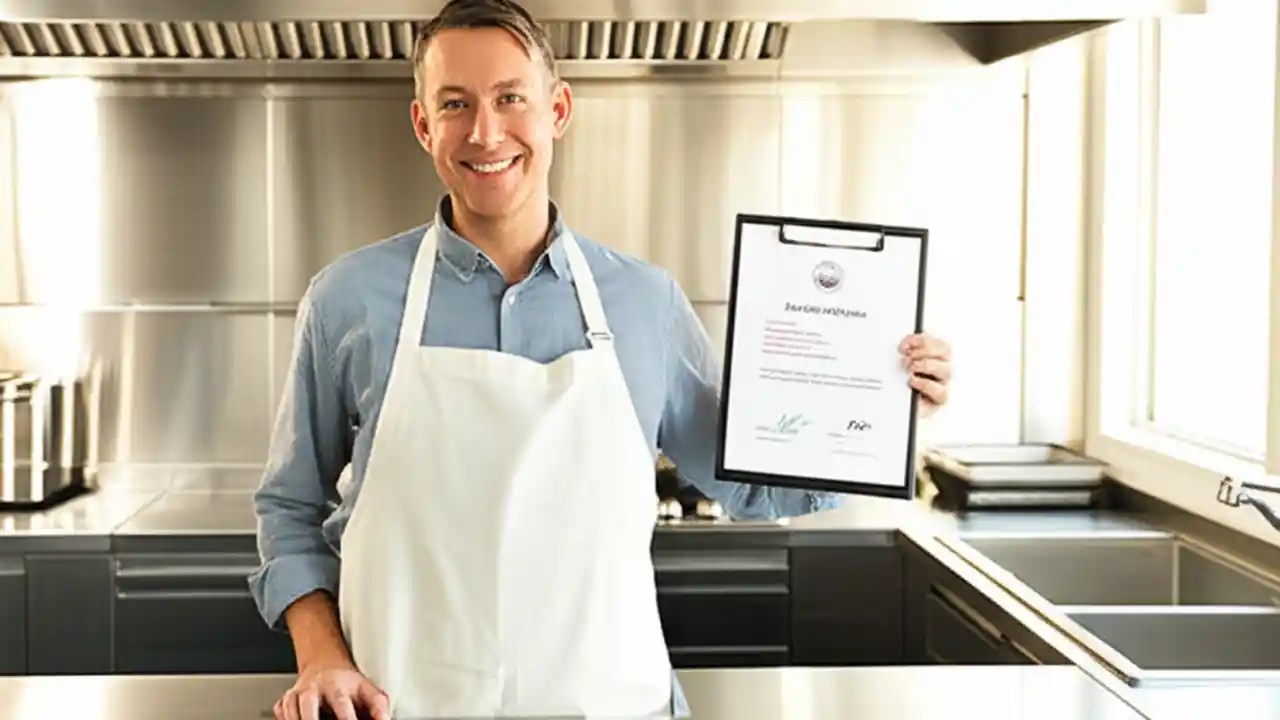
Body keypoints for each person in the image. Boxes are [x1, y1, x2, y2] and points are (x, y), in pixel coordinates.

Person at [249, 1, 954, 718]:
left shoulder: (645, 302)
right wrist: (322, 657)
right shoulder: (349, 299)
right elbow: (290, 506)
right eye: (455, 104)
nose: (485, 131)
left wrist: (886, 406)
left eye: (510, 98)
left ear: (557, 109)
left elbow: (753, 483)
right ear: (424, 124)